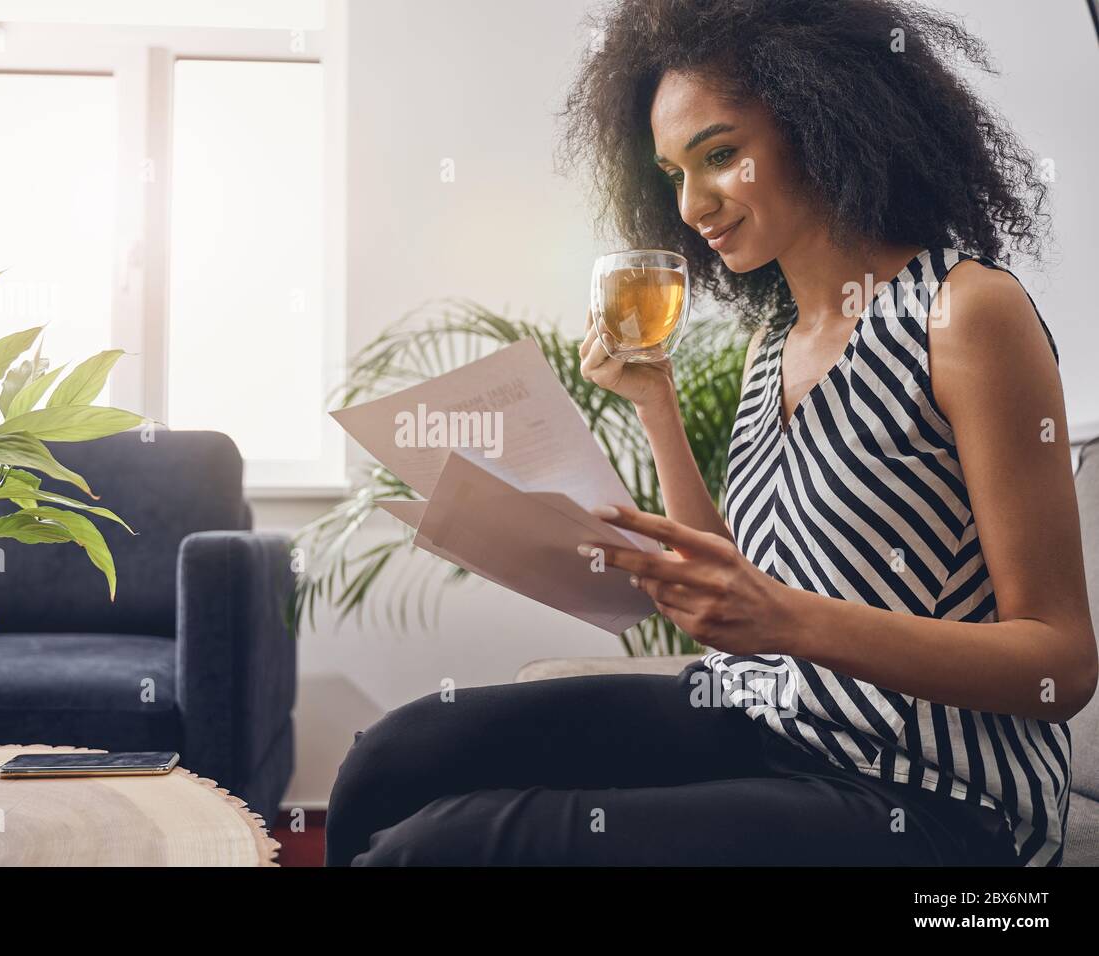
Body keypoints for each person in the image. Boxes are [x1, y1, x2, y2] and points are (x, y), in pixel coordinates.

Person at [324, 0, 1097, 867]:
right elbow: (734, 595)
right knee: (392, 760)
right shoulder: (776, 344)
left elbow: (1059, 664)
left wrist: (787, 621)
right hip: (758, 715)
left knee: (440, 850)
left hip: (930, 798)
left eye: (720, 155)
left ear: (825, 118)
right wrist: (653, 402)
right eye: (672, 173)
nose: (692, 204)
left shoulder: (965, 314)